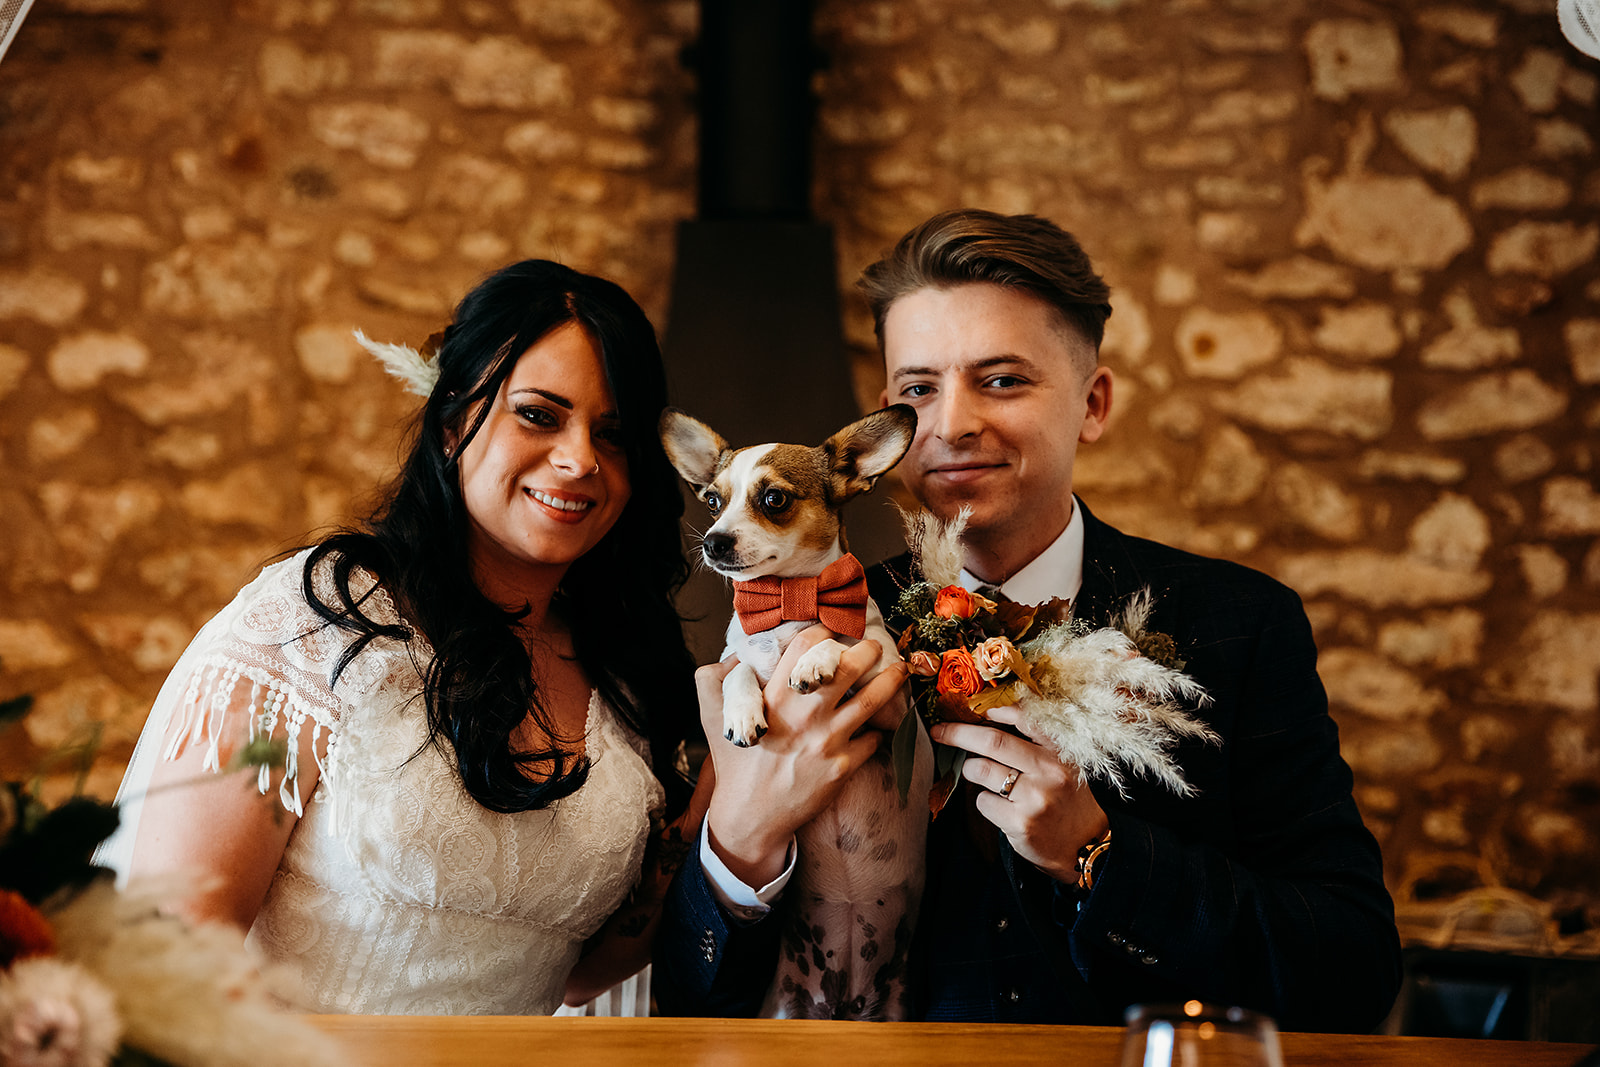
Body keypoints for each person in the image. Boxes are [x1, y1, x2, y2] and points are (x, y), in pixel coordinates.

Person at [653, 210, 1404, 1031]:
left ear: (1093, 402)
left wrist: (1100, 858)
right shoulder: (819, 627)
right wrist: (739, 847)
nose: (951, 424)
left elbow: (1353, 968)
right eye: (918, 390)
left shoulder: (1242, 625)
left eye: (1002, 379)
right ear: (884, 430)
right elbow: (690, 995)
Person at [99, 259, 701, 1016]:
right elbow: (179, 939)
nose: (579, 459)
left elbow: (578, 972)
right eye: (540, 415)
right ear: (452, 425)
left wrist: (732, 806)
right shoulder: (318, 623)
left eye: (611, 434)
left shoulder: (626, 675)